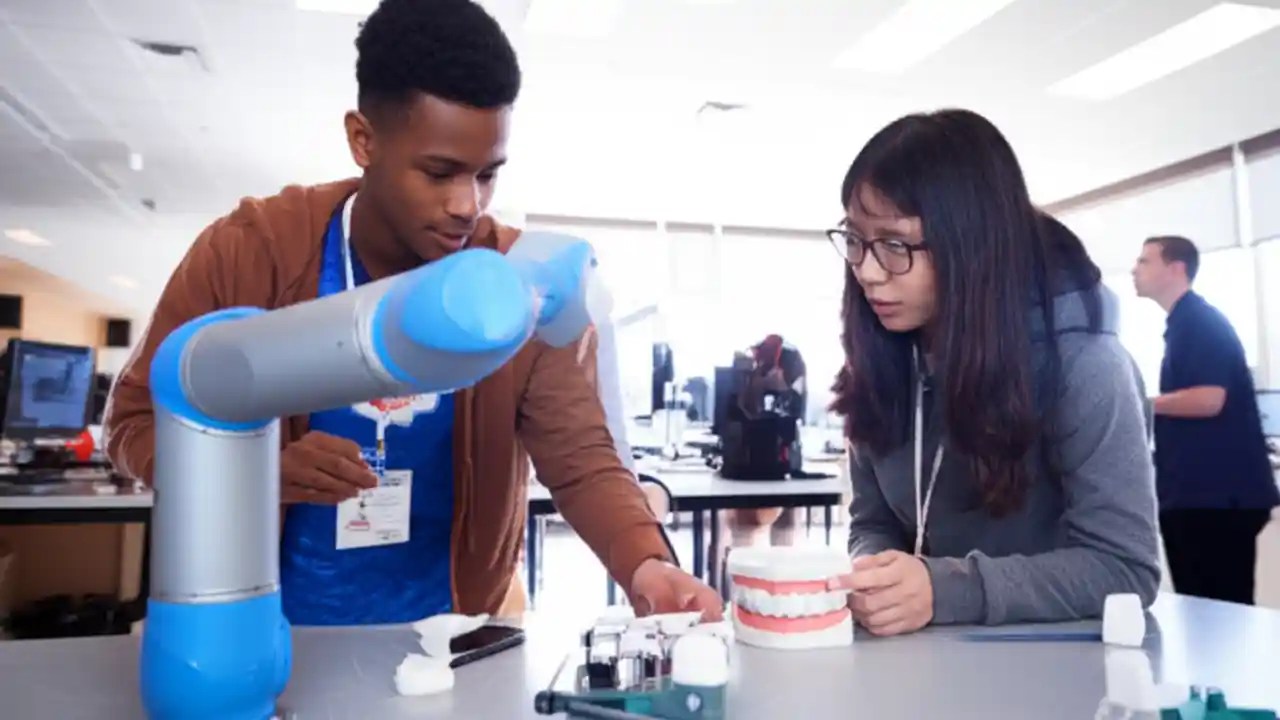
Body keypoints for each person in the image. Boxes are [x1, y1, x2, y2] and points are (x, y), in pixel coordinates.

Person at [102, 0, 719, 626]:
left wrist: (647, 565)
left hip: (449, 638)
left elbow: (581, 456)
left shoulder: (513, 283)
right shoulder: (251, 251)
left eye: (487, 175)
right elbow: (132, 425)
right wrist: (249, 471)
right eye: (440, 172)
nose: (466, 204)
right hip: (266, 631)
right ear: (362, 139)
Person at [824, 109, 1160, 637]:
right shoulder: (884, 357)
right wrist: (880, 578)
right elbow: (874, 522)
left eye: (894, 244)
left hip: (1053, 679)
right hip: (918, 667)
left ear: (972, 247)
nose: (866, 270)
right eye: (856, 239)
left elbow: (1125, 568)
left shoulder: (1088, 368)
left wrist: (946, 588)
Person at [1132, 235, 1279, 604]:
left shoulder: (1199, 322)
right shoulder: (1184, 324)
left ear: (1176, 268)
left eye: (1145, 261)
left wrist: (1141, 403)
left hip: (1214, 502)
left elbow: (1209, 399)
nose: (1135, 269)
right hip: (1200, 498)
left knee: (1217, 616)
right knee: (1204, 614)